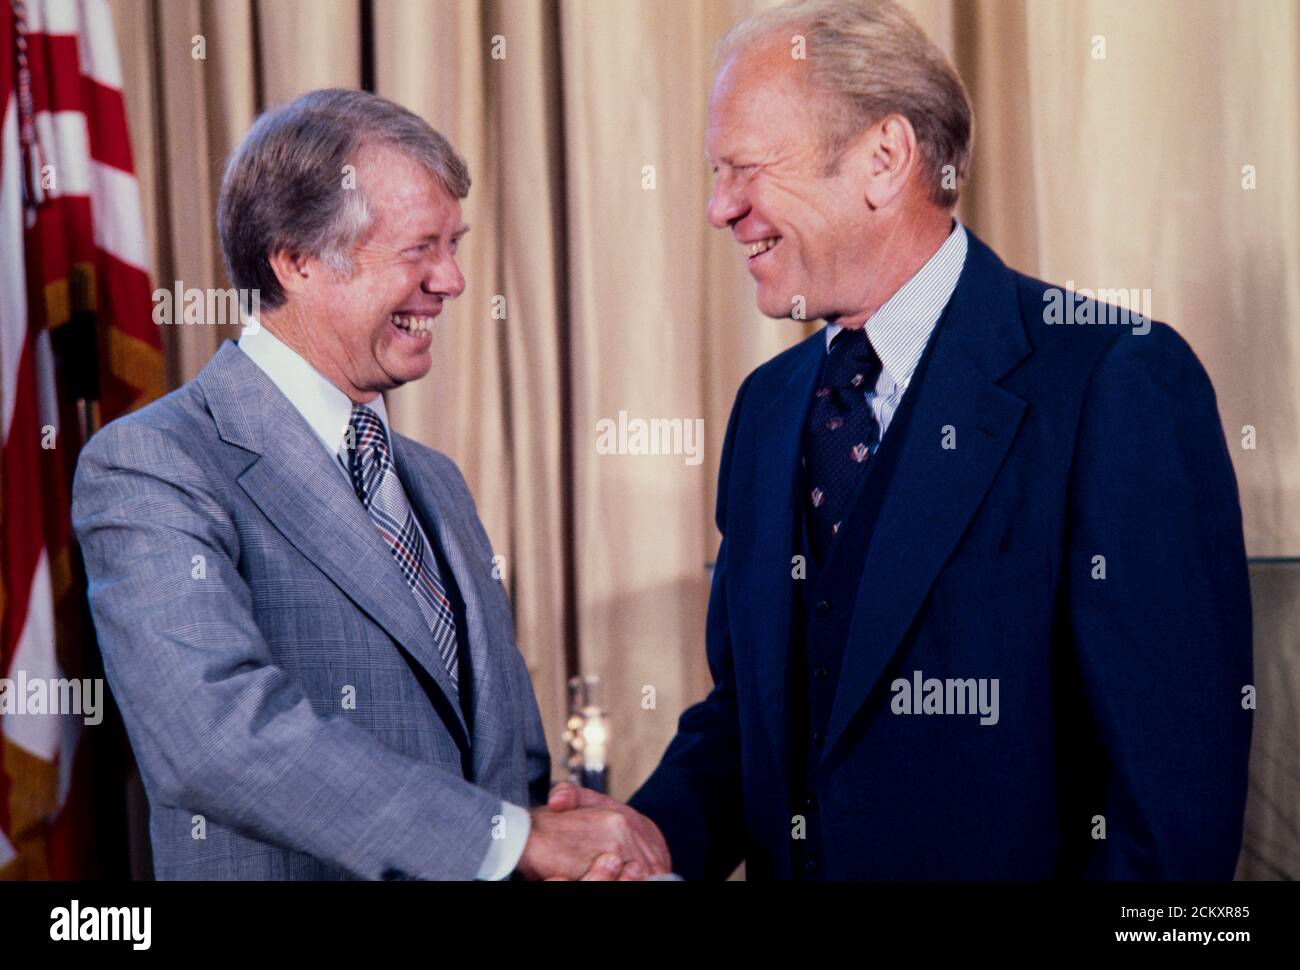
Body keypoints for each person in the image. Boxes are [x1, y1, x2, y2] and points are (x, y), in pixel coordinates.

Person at [550, 0, 1252, 880]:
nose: (718, 206)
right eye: (713, 172)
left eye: (744, 169)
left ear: (884, 160)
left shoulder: (1118, 382)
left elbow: (1174, 808)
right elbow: (754, 721)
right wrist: (647, 838)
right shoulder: (767, 409)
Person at [72, 88, 668, 881]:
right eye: (420, 248)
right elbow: (214, 737)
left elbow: (500, 773)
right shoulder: (156, 464)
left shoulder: (436, 481)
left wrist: (571, 826)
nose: (453, 280)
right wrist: (513, 839)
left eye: (454, 244)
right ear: (297, 261)